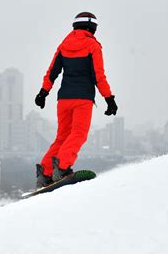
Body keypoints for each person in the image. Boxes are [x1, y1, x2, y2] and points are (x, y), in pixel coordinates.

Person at [34, 12, 118, 188]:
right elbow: (99, 76)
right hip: (82, 100)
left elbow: (52, 72)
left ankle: (45, 172)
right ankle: (62, 168)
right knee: (78, 134)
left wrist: (43, 92)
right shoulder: (93, 45)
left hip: (63, 99)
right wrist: (109, 99)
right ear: (92, 27)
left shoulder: (64, 45)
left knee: (62, 136)